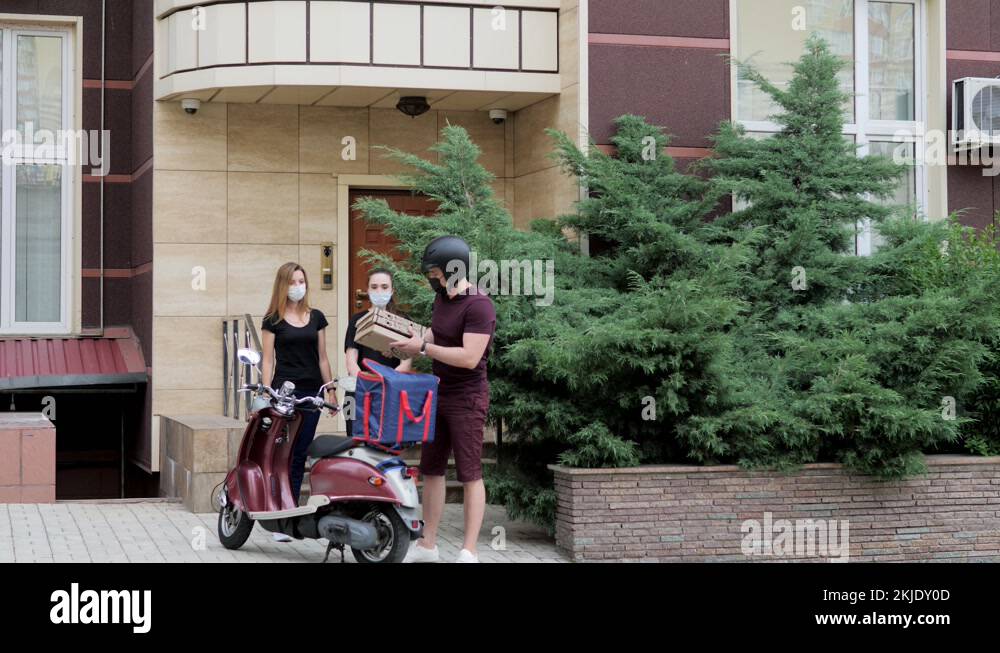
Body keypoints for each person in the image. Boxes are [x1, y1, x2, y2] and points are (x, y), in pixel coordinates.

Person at [390, 236, 496, 563]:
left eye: (435, 273)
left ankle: (469, 551)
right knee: (431, 469)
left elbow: (469, 357)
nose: (431, 279)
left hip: (467, 397)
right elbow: (436, 333)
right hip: (439, 392)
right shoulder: (442, 299)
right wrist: (410, 349)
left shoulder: (478, 305)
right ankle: (428, 545)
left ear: (454, 269)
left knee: (469, 473)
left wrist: (423, 348)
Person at [260, 262, 334, 542]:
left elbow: (323, 358)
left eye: (301, 281)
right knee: (284, 453)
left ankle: (290, 514)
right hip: (285, 393)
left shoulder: (317, 317)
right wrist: (266, 392)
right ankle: (279, 515)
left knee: (300, 452)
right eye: (292, 282)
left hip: (312, 392)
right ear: (283, 285)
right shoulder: (272, 320)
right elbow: (268, 360)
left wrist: (330, 390)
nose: (298, 287)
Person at [343, 268, 411, 435]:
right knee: (354, 440)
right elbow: (351, 361)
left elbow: (406, 364)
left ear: (392, 290)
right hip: (358, 391)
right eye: (374, 287)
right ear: (367, 290)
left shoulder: (403, 322)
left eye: (384, 287)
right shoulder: (356, 320)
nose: (379, 291)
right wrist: (366, 383)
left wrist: (383, 384)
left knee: (387, 442)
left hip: (390, 391)